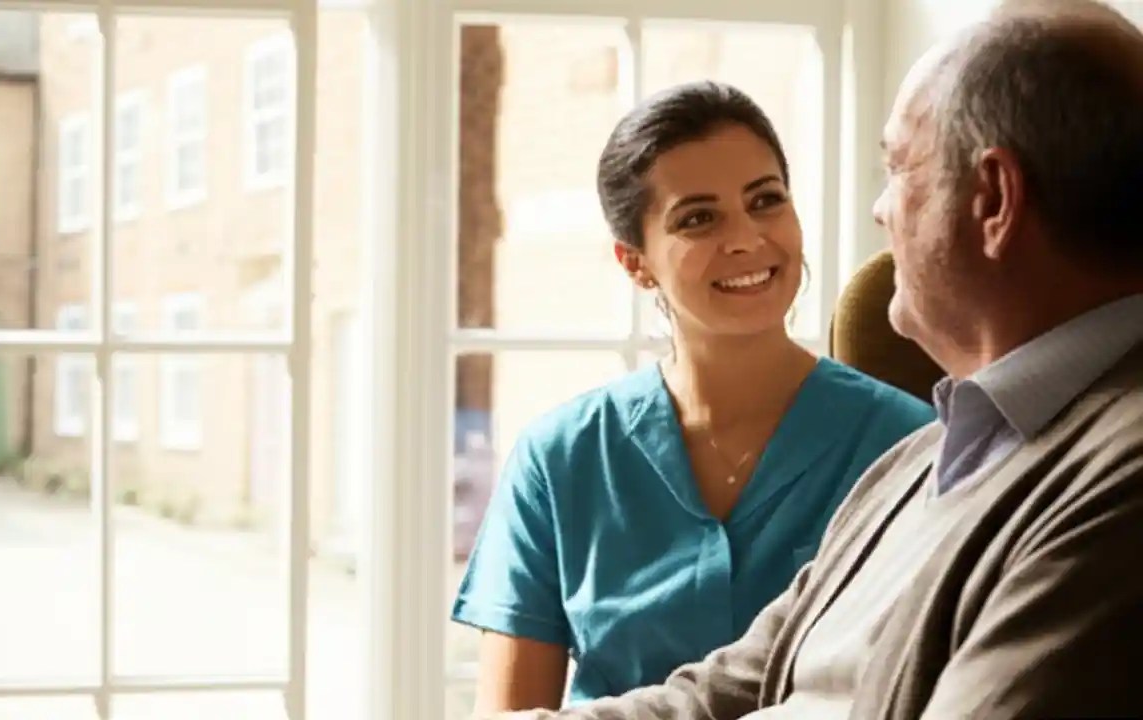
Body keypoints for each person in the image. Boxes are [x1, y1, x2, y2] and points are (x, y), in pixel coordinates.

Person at [485, 0, 1143, 718]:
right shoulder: (924, 458)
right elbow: (725, 690)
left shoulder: (1115, 477)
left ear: (992, 200)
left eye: (898, 169)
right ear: (634, 261)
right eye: (698, 217)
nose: (879, 211)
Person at [453, 81, 935, 714]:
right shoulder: (559, 459)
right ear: (635, 262)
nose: (745, 239)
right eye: (697, 218)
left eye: (766, 201)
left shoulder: (911, 445)